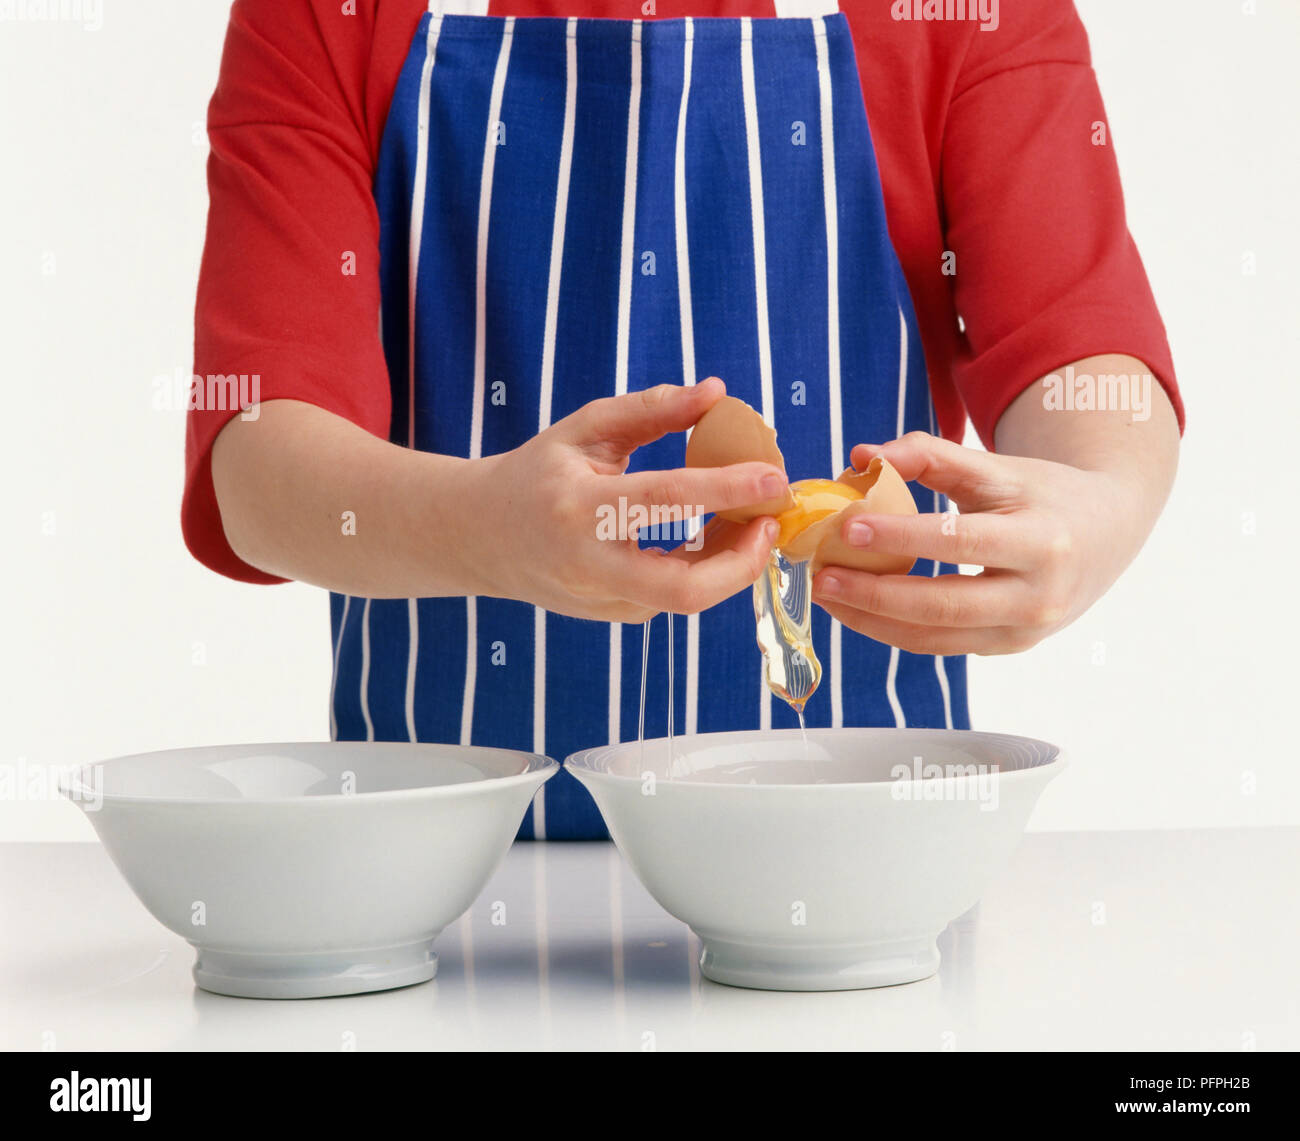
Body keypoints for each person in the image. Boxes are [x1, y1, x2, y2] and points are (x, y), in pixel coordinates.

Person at [183, 0, 1183, 839]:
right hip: (433, 889)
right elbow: (259, 464)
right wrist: (482, 528)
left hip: (859, 873)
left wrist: (1094, 503)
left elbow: (1077, 350)